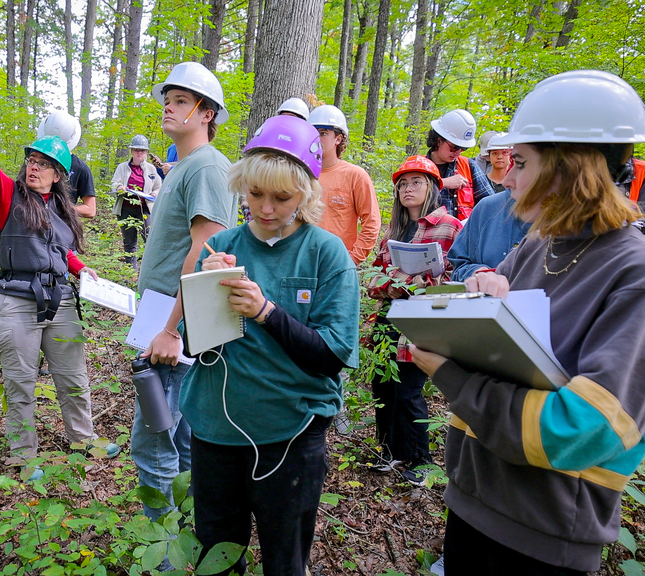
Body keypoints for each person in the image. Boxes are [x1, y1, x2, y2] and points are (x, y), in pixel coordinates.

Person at [407, 70, 645, 574]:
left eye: (522, 162)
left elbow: (585, 430)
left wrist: (448, 373)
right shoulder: (536, 247)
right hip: (473, 501)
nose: (507, 178)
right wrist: (474, 308)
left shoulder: (642, 275)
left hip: (543, 534)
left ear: (567, 169)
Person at [180, 115, 359, 576]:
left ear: (307, 195)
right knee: (217, 555)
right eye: (255, 193)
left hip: (291, 434)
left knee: (285, 558)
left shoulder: (325, 252)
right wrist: (209, 291)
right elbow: (196, 349)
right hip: (215, 430)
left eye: (282, 198)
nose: (264, 208)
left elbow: (331, 355)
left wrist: (266, 312)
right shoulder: (220, 245)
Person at [0, 79, 119, 478]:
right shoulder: (9, 194)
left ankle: (83, 439)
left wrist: (82, 269)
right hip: (14, 300)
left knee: (74, 376)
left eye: (44, 164)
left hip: (59, 300)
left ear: (59, 175)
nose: (34, 167)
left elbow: (57, 247)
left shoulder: (64, 209)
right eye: (32, 160)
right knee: (21, 383)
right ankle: (24, 454)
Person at [134, 61, 238, 522]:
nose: (168, 109)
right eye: (168, 100)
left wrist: (172, 330)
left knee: (156, 441)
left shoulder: (209, 167)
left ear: (206, 113)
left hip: (179, 324)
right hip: (163, 314)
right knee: (178, 439)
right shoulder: (180, 166)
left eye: (181, 102)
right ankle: (190, 538)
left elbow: (207, 252)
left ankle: (163, 556)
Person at [364, 155, 462, 485]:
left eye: (416, 182)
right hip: (388, 317)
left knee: (408, 390)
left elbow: (451, 275)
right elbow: (373, 277)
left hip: (421, 321)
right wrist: (391, 286)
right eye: (402, 184)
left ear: (433, 188)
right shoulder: (393, 229)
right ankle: (392, 451)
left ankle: (421, 461)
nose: (408, 189)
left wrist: (416, 284)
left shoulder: (449, 226)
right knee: (383, 386)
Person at [307, 104, 381, 265]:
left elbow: (372, 222)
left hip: (337, 264)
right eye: (313, 133)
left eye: (323, 133)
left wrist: (350, 261)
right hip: (302, 263)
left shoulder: (355, 175)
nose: (317, 138)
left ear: (338, 139)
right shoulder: (301, 174)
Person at [447, 180, 531, 282]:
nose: (506, 180)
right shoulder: (486, 208)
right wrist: (478, 273)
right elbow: (458, 268)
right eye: (514, 164)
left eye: (521, 165)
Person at [426, 109, 495, 220]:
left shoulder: (469, 166)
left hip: (463, 235)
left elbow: (491, 204)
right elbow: (403, 195)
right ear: (439, 140)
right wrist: (441, 183)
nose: (458, 152)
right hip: (426, 236)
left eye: (463, 148)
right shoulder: (418, 166)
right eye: (454, 147)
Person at [110, 135, 162, 269]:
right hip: (125, 208)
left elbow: (158, 186)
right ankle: (131, 273)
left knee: (149, 239)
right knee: (129, 242)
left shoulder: (151, 169)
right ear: (132, 151)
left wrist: (154, 194)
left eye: (143, 150)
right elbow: (115, 183)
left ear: (146, 152)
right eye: (137, 150)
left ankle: (150, 269)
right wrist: (119, 188)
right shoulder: (122, 167)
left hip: (144, 208)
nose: (140, 153)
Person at [36, 111, 96, 220]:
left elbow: (90, 210)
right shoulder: (34, 162)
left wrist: (62, 209)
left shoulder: (80, 168)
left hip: (63, 226)